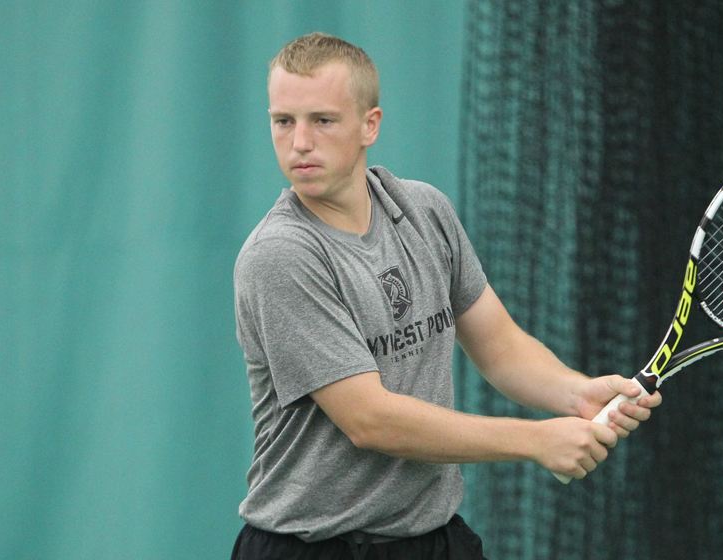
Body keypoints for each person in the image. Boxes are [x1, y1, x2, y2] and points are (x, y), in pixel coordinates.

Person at [231, 32, 662, 560]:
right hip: (313, 547)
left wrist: (577, 394)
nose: (300, 142)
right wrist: (536, 441)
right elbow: (370, 420)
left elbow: (500, 347)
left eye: (322, 120)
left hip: (434, 538)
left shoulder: (425, 211)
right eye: (283, 121)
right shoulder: (280, 255)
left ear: (370, 125)